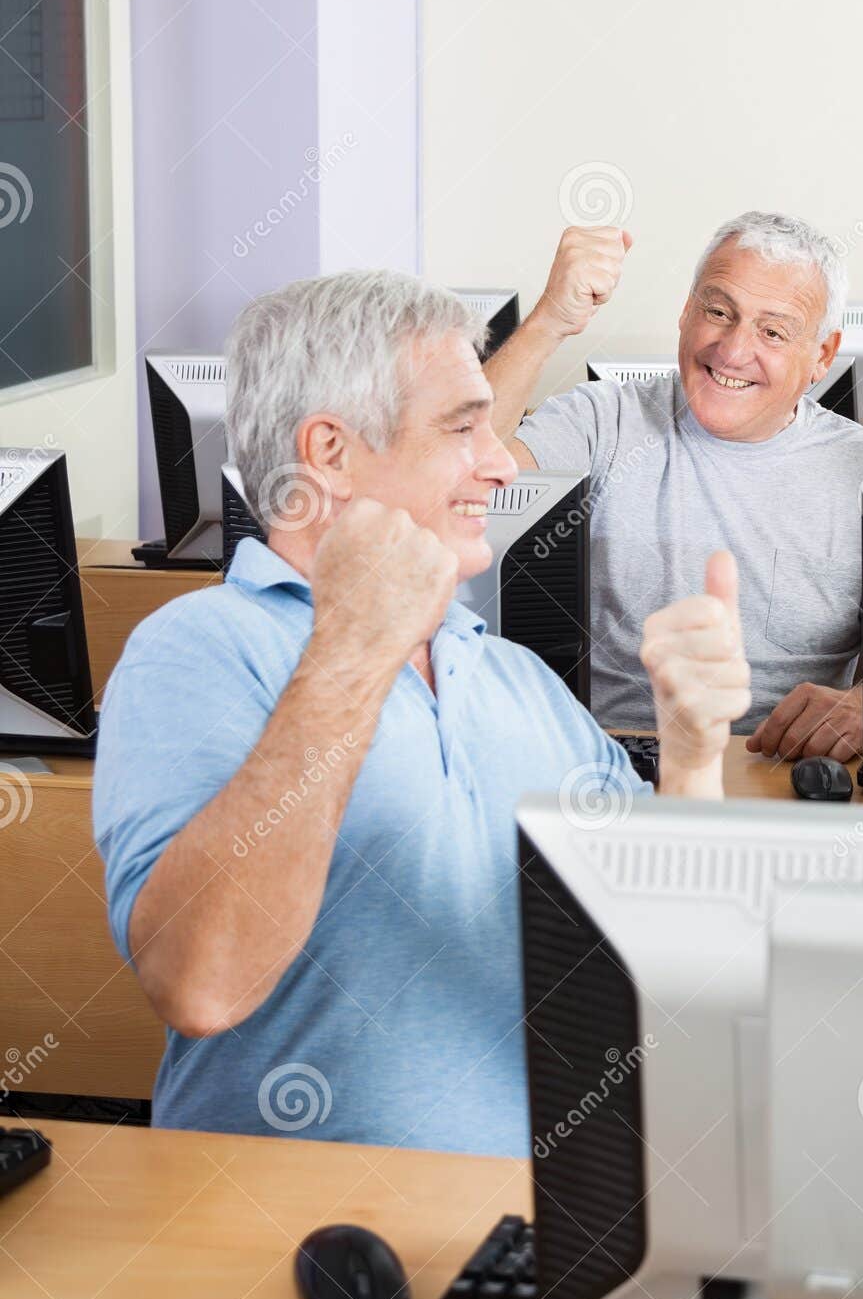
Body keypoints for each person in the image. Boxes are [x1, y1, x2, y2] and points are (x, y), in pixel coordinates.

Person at [93, 271, 749, 1158]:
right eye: (461, 425)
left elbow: (677, 969)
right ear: (327, 451)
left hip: (531, 1229)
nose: (503, 460)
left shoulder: (513, 676)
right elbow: (199, 986)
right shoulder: (200, 648)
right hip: (289, 1244)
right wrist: (356, 649)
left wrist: (693, 758)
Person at [481, 211, 863, 764]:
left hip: (779, 771)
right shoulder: (601, 421)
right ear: (685, 314)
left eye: (772, 331)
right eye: (717, 312)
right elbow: (454, 474)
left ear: (822, 357)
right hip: (609, 760)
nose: (732, 350)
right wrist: (548, 322)